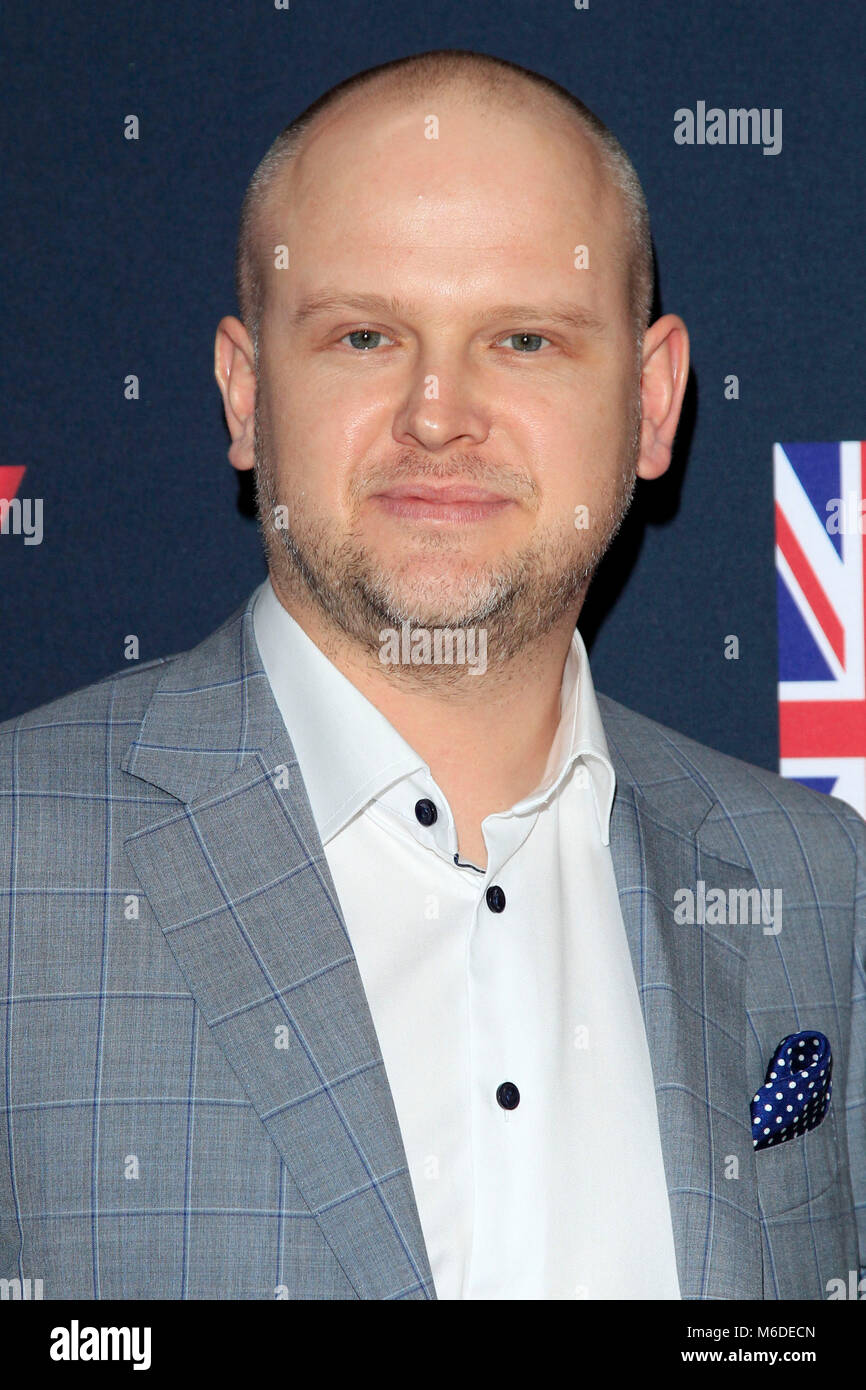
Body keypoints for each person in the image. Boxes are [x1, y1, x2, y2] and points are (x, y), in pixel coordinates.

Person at [1, 48, 863, 1302]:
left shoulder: (815, 885)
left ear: (650, 399)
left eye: (523, 336)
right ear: (246, 396)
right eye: (363, 334)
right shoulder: (18, 858)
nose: (437, 410)